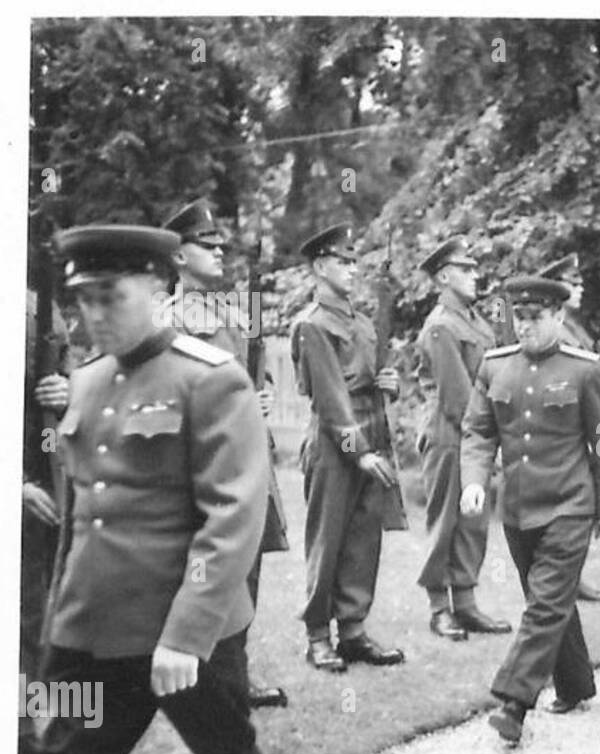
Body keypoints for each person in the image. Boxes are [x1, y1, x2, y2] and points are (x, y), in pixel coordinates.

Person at [30, 225, 282, 754]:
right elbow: (81, 521)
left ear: (157, 289)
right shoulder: (84, 384)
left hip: (190, 641)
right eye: (83, 300)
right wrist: (56, 639)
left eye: (110, 297)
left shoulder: (212, 379)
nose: (93, 315)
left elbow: (230, 516)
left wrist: (186, 635)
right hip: (94, 636)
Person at [461, 277, 600, 745]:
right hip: (517, 509)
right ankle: (575, 685)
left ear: (558, 317)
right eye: (520, 317)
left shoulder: (584, 371)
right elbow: (477, 431)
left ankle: (514, 703)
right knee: (550, 601)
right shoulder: (495, 368)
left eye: (536, 317)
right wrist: (474, 481)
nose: (526, 326)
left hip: (569, 505)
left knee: (546, 602)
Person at [162, 198, 288, 708]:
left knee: (250, 560)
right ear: (177, 256)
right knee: (213, 567)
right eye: (205, 245)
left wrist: (265, 393)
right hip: (210, 461)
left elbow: (260, 374)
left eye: (220, 246)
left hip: (249, 459)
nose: (218, 253)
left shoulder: (233, 312)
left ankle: (236, 669)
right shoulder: (168, 318)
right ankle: (205, 667)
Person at [291, 223, 405, 671]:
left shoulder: (359, 322)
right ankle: (318, 635)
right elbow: (329, 398)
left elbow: (368, 378)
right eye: (343, 261)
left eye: (355, 260)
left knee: (363, 539)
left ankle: (353, 631)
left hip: (369, 428)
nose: (353, 269)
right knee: (328, 539)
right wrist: (359, 451)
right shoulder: (312, 325)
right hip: (335, 440)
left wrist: (389, 385)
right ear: (321, 266)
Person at [413, 238, 511, 639]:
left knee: (473, 523)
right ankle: (440, 607)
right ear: (444, 277)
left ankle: (466, 603)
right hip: (450, 436)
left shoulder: (474, 322)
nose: (475, 275)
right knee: (446, 523)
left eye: (474, 268)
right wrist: (490, 435)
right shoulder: (441, 326)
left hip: (473, 438)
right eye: (466, 270)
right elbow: (457, 397)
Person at [541, 252, 600, 603]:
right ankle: (569, 574)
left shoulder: (576, 327)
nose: (581, 288)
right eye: (574, 283)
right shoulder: (558, 331)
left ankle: (574, 573)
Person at [21, 290, 70, 754]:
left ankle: (45, 724)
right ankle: (19, 732)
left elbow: (75, 380)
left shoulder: (43, 306)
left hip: (51, 479)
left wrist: (67, 390)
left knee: (44, 613)